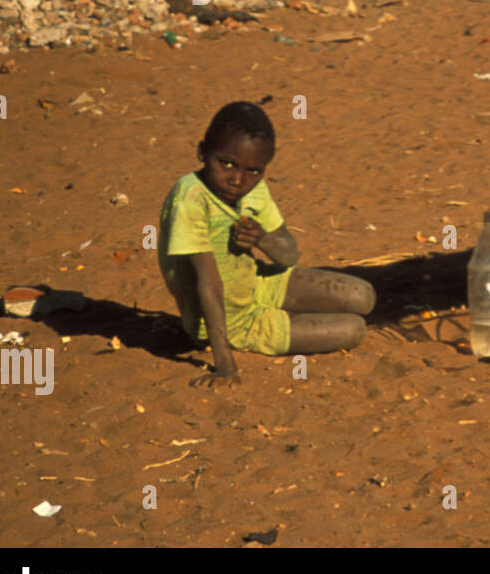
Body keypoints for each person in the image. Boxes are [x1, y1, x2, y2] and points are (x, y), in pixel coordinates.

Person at [157, 101, 375, 388]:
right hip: (234, 321)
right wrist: (224, 364)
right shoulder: (191, 199)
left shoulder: (254, 189)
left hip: (257, 284)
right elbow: (207, 284)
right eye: (226, 163)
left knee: (363, 295)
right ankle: (270, 327)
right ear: (201, 152)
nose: (238, 179)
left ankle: (285, 316)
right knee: (353, 329)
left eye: (253, 170)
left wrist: (263, 239)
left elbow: (289, 255)